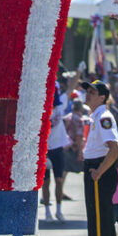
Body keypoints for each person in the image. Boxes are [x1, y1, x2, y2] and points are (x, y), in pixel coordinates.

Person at [80, 79, 118, 236]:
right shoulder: (96, 117)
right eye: (87, 91)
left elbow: (115, 149)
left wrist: (99, 172)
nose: (88, 94)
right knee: (99, 223)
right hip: (95, 168)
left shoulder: (104, 116)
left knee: (99, 224)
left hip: (99, 171)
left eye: (92, 92)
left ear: (102, 97)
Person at [42, 81, 68, 222]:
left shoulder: (60, 106)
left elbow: (70, 89)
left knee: (59, 180)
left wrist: (78, 73)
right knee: (46, 182)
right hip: (45, 150)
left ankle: (58, 210)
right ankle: (47, 212)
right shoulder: (42, 108)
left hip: (58, 148)